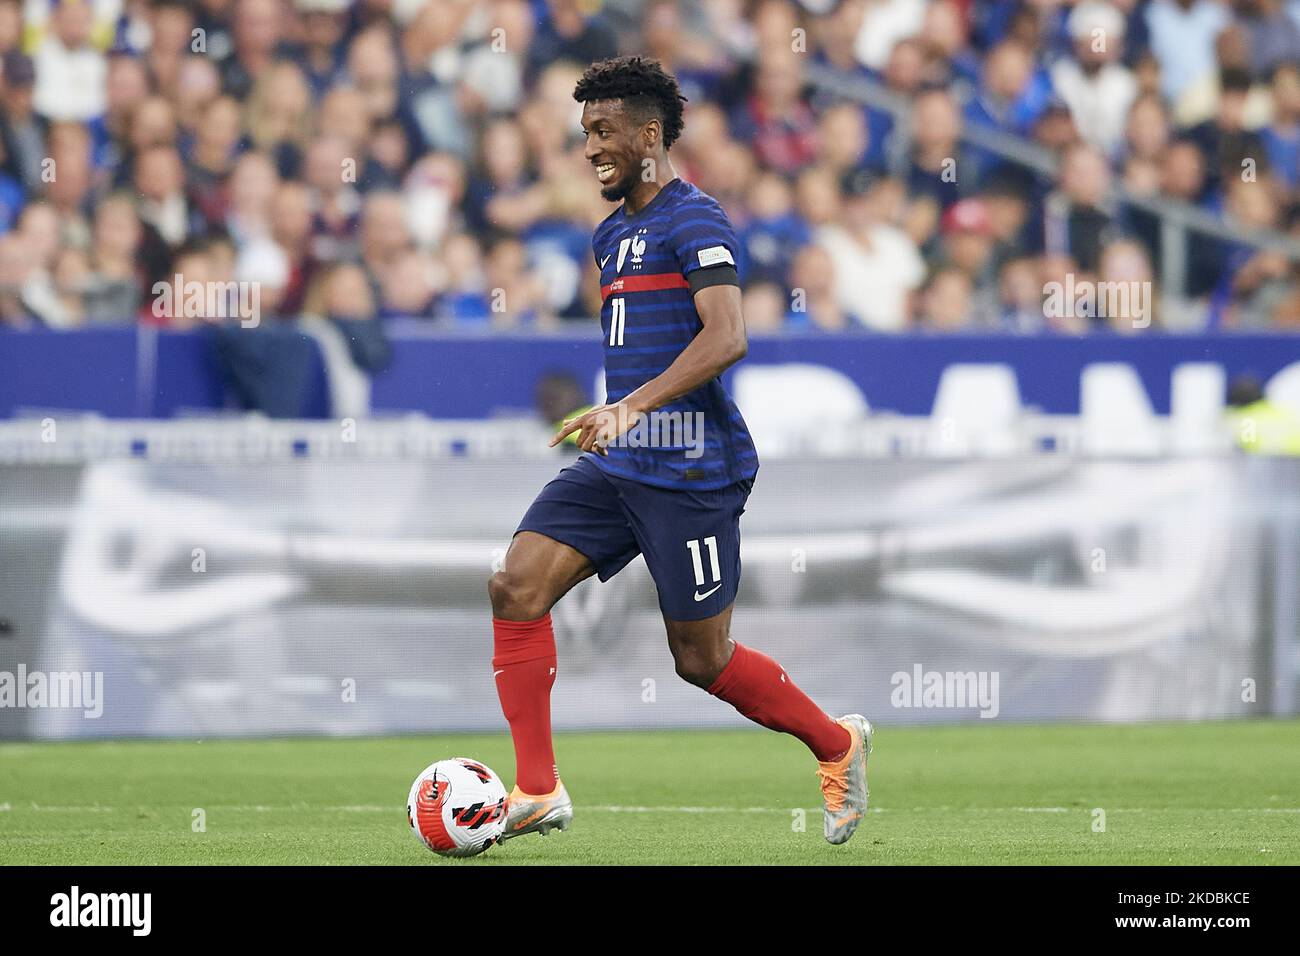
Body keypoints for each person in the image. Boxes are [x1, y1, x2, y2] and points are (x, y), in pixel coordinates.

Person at [481, 57, 872, 848]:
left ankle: (837, 743)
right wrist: (614, 411)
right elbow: (644, 348)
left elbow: (727, 337)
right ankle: (537, 787)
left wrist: (632, 406)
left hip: (692, 472)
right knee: (514, 585)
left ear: (649, 135)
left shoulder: (697, 219)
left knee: (701, 660)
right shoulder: (610, 232)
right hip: (621, 462)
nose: (590, 147)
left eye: (604, 131)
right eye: (584, 132)